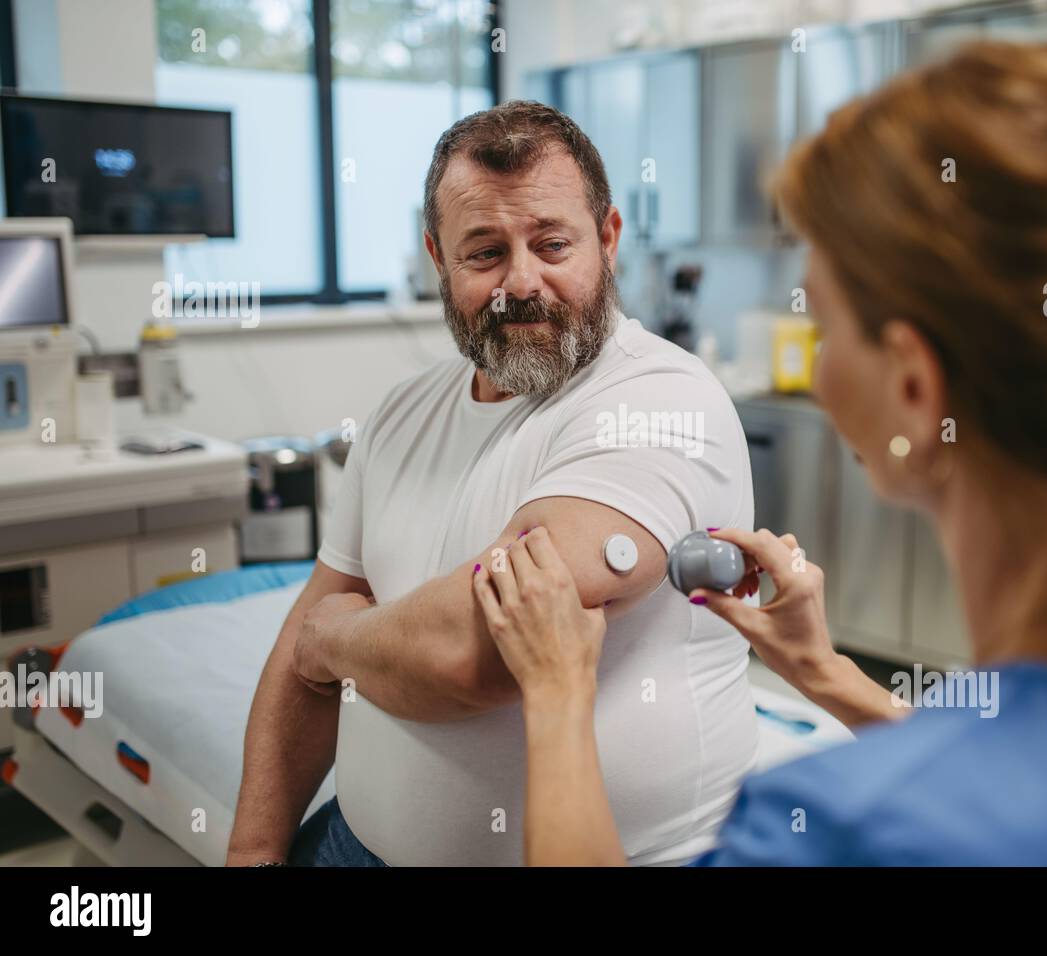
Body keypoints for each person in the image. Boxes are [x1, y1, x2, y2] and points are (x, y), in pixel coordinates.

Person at [472, 43, 1047, 865]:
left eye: (827, 326)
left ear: (914, 389)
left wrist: (555, 695)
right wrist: (827, 672)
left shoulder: (838, 830)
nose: (820, 368)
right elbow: (1030, 788)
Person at [226, 101, 758, 866]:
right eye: (483, 253)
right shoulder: (401, 413)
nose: (521, 282)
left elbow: (476, 652)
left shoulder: (662, 401)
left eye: (552, 244)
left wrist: (335, 641)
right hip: (355, 844)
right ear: (436, 259)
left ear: (607, 240)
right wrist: (252, 852)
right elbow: (305, 636)